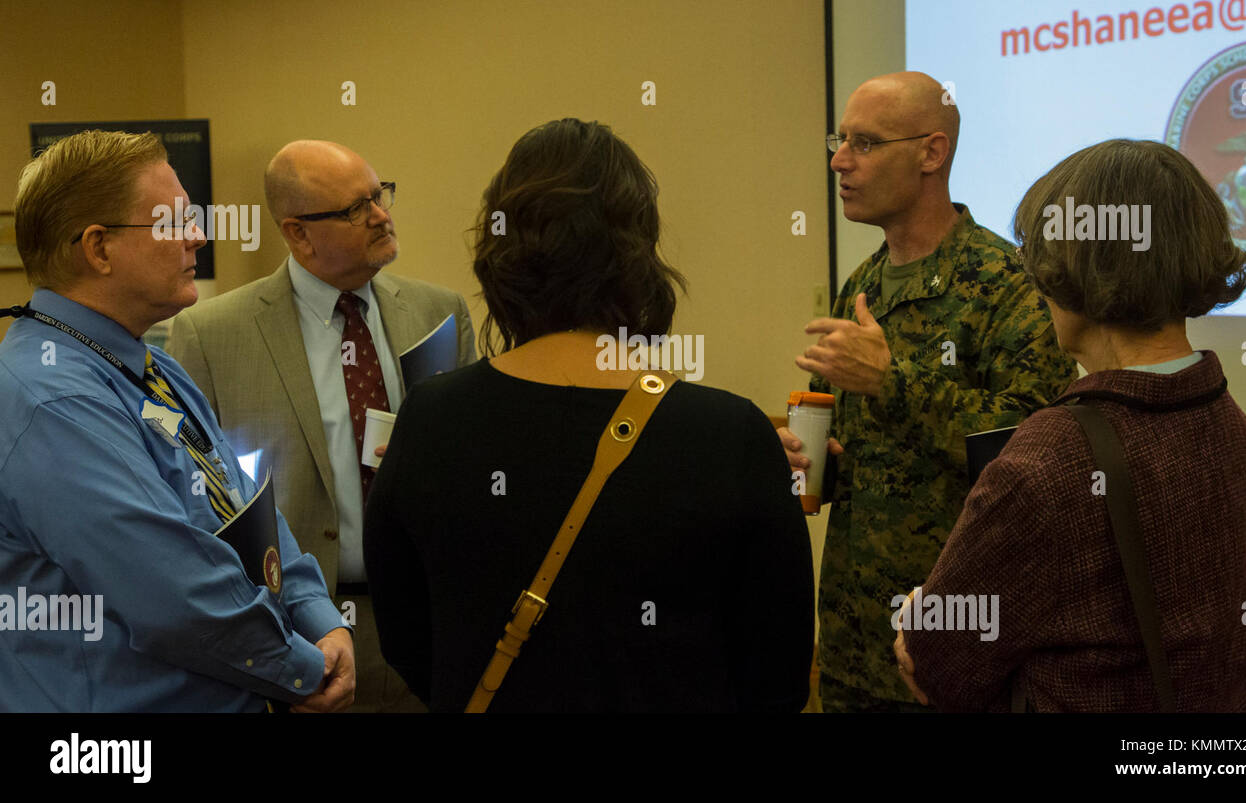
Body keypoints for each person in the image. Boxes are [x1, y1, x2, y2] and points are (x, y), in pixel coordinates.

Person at [363, 118, 814, 712]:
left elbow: (406, 636)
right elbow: (778, 670)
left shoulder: (429, 419)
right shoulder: (731, 434)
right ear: (639, 253)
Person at [894, 139, 1246, 712]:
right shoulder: (1229, 420)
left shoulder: (1051, 457)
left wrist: (920, 612)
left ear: (1068, 271)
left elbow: (936, 663)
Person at [0, 130, 353, 712]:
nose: (198, 235)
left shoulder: (152, 365)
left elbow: (245, 510)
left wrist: (319, 618)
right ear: (99, 248)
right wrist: (302, 669)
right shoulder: (50, 399)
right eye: (174, 221)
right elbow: (174, 597)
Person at [781, 71, 1077, 712]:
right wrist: (802, 460)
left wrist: (894, 385)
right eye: (840, 140)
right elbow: (842, 450)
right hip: (852, 643)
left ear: (931, 153)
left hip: (953, 649)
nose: (839, 160)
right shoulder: (862, 284)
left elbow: (1034, 454)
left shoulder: (1009, 283)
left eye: (863, 142)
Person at [166, 140, 475, 713]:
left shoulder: (440, 314)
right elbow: (196, 500)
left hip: (425, 624)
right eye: (356, 208)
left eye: (380, 195)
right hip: (297, 640)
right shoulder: (209, 335)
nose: (382, 215)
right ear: (298, 233)